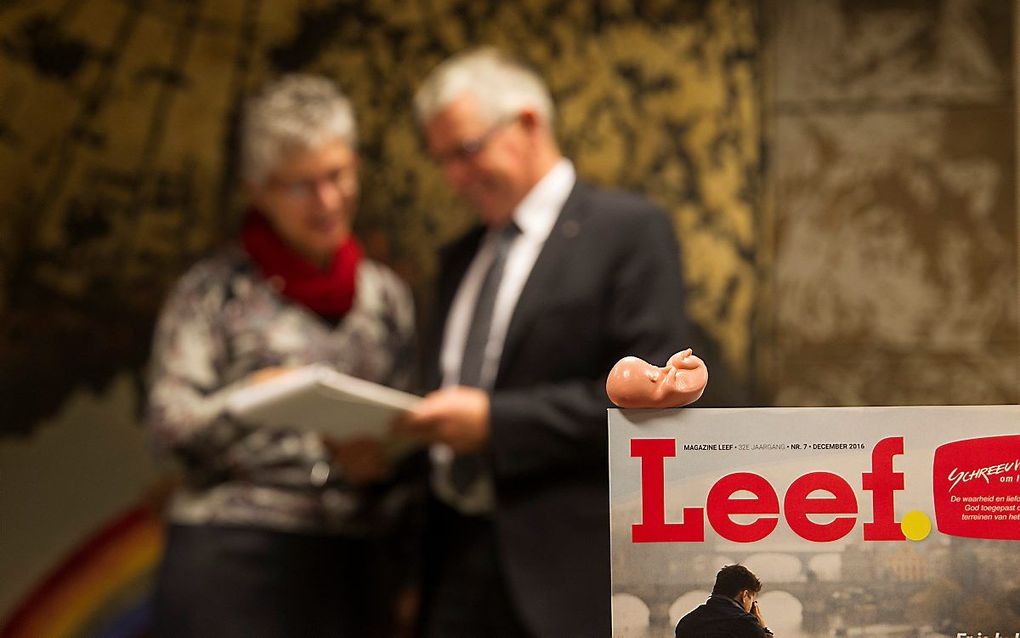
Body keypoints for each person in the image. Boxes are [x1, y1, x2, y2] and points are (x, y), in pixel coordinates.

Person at [396, 47, 694, 637]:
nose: (453, 178)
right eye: (441, 160)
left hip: (566, 574)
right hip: (452, 562)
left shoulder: (627, 231)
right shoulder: (461, 256)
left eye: (466, 150)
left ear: (528, 123)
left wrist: (496, 424)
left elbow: (660, 398)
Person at [145, 75, 419, 638]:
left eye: (337, 175)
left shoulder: (386, 297)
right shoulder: (212, 293)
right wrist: (250, 401)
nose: (327, 200)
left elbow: (413, 435)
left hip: (352, 565)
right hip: (233, 560)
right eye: (300, 186)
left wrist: (383, 461)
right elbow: (168, 430)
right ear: (258, 191)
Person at [674, 564, 774, 638]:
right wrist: (763, 628)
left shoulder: (687, 623)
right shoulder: (745, 623)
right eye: (753, 601)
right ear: (745, 595)